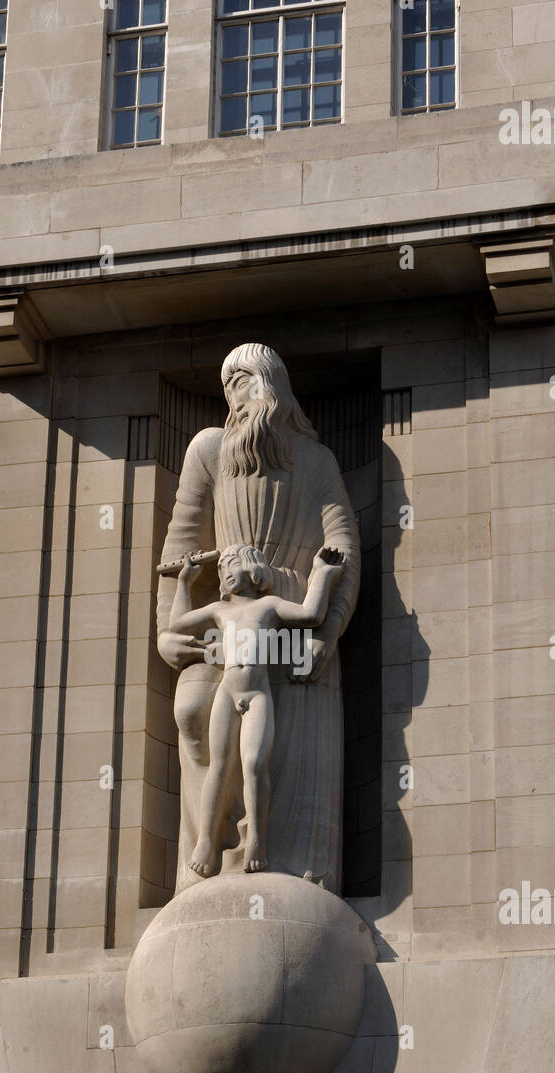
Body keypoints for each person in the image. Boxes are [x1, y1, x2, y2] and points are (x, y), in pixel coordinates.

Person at [156, 343, 360, 892]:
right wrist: (165, 634)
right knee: (192, 708)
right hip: (222, 627)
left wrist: (331, 629)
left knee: (262, 756)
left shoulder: (317, 462)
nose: (235, 395)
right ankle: (208, 856)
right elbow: (177, 552)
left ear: (271, 382)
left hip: (291, 632)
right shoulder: (207, 450)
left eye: (243, 379)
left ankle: (280, 864)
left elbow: (343, 548)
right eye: (227, 385)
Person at [168, 543, 345, 876]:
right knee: (219, 767)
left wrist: (322, 573)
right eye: (222, 570)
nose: (226, 573)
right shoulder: (220, 610)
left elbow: (312, 615)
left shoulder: (269, 606)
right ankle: (206, 841)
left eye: (231, 565)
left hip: (257, 694)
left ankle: (257, 840)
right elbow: (177, 623)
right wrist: (184, 582)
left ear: (252, 567)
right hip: (228, 691)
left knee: (253, 764)